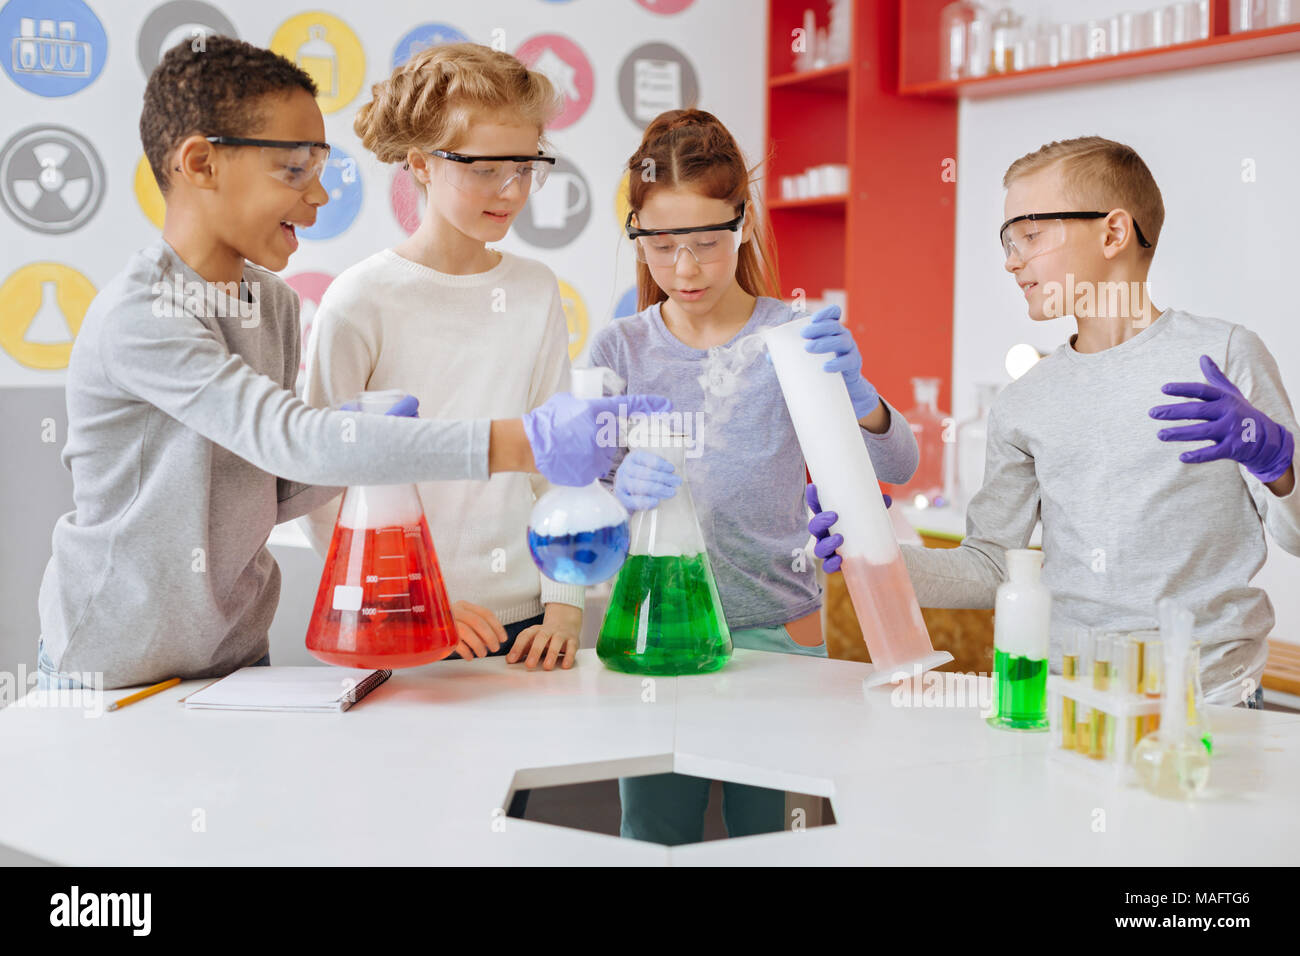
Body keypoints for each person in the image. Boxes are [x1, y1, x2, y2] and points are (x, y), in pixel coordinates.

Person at [36, 37, 667, 691]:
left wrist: (373, 447)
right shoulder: (142, 314)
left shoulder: (272, 304)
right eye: (294, 172)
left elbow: (288, 482)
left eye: (320, 168)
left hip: (233, 651)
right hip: (114, 662)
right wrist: (521, 442)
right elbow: (296, 441)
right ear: (201, 165)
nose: (320, 196)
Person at [808, 136, 1299, 709]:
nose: (1012, 259)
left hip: (1210, 703)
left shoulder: (1225, 356)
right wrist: (875, 557)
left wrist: (1279, 463)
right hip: (1068, 704)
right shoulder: (1026, 401)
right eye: (1007, 241)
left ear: (1114, 233)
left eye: (1031, 235)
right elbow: (991, 567)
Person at [588, 109, 917, 845]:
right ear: (636, 235)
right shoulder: (620, 349)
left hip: (779, 641)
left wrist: (860, 398)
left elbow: (896, 468)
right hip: (657, 641)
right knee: (654, 834)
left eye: (707, 242)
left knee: (774, 842)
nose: (686, 268)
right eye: (662, 245)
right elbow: (580, 498)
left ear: (742, 225)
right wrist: (613, 487)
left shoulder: (789, 341)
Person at [302, 43, 583, 671]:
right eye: (484, 168)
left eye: (525, 166)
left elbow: (553, 459)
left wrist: (565, 604)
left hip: (526, 632)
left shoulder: (535, 291)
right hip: (398, 623)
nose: (510, 190)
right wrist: (415, 602)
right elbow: (318, 485)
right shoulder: (360, 300)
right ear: (422, 164)